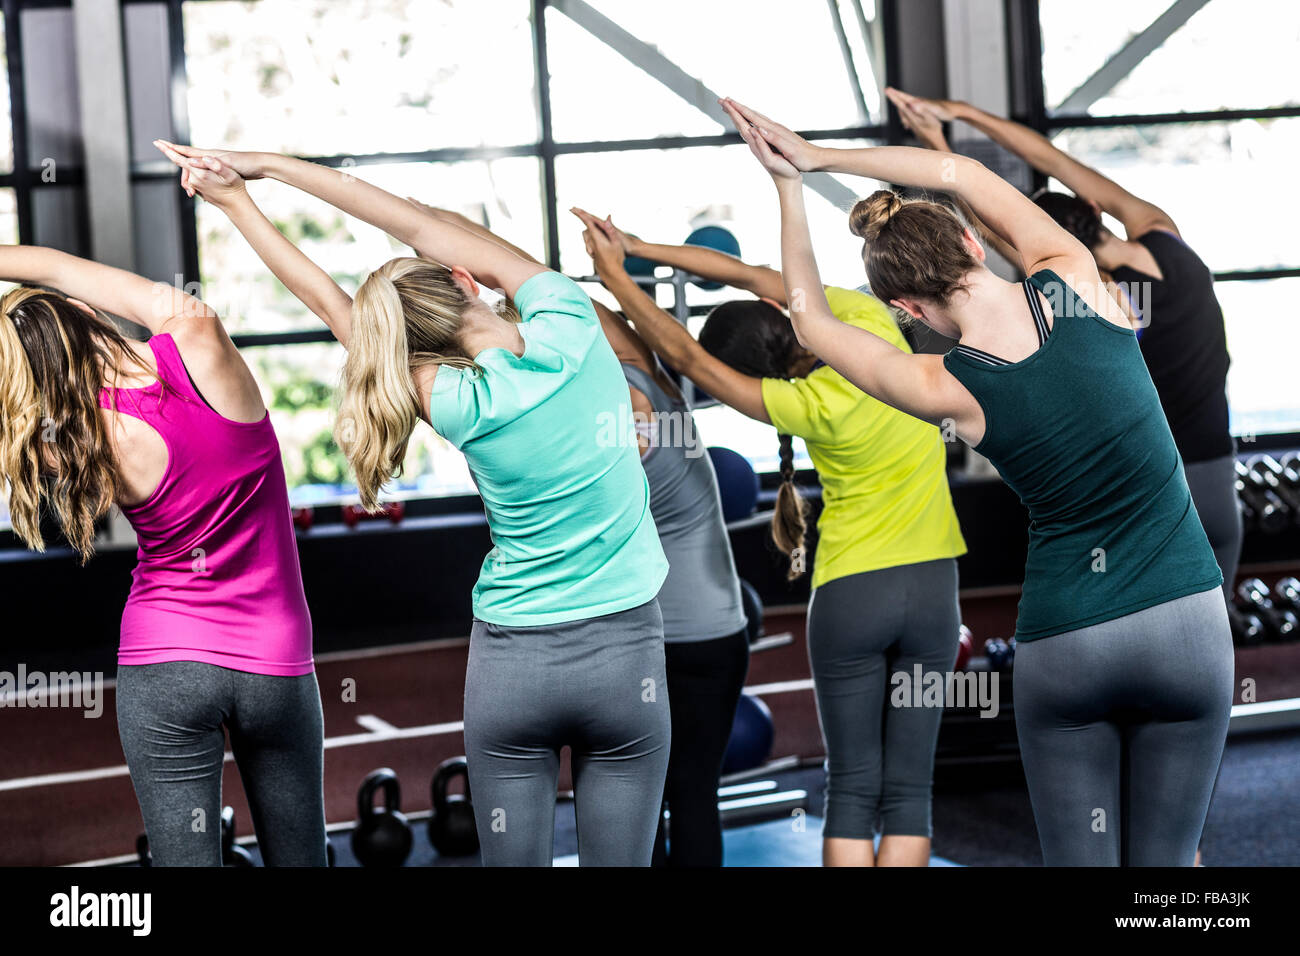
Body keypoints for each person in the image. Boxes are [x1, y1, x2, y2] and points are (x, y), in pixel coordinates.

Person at [719, 96, 1232, 866]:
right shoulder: (1075, 278)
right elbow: (956, 171)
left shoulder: (943, 385)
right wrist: (817, 156)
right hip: (1187, 625)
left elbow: (812, 324)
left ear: (902, 307)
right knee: (1167, 877)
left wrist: (786, 188)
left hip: (1069, 641)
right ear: (968, 236)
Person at [156, 141, 671, 867]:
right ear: (466, 278)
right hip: (625, 663)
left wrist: (237, 204)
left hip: (512, 671)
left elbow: (334, 309)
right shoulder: (571, 322)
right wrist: (268, 165)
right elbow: (418, 223)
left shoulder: (457, 402)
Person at [570, 207, 967, 867]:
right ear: (783, 320)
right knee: (909, 793)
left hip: (851, 595)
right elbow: (744, 271)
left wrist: (616, 283)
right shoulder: (861, 321)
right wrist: (635, 250)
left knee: (850, 789)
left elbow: (685, 355)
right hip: (933, 592)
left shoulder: (794, 403)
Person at [406, 202, 750, 867]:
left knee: (643, 819)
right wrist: (612, 269)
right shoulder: (641, 380)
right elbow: (625, 329)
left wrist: (450, 250)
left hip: (638, 633)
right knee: (686, 798)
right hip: (710, 627)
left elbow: (581, 320)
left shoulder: (592, 406)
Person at [0, 245, 324, 866]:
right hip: (274, 658)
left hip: (163, 662)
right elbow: (63, 270)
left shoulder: (72, 438)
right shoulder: (197, 339)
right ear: (82, 313)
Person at [885, 86, 1239, 596]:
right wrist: (961, 112)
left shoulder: (1099, 302)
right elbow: (1051, 159)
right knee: (1212, 647)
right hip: (1218, 477)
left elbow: (992, 231)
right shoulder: (1164, 233)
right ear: (1095, 211)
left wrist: (941, 146)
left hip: (1158, 491)